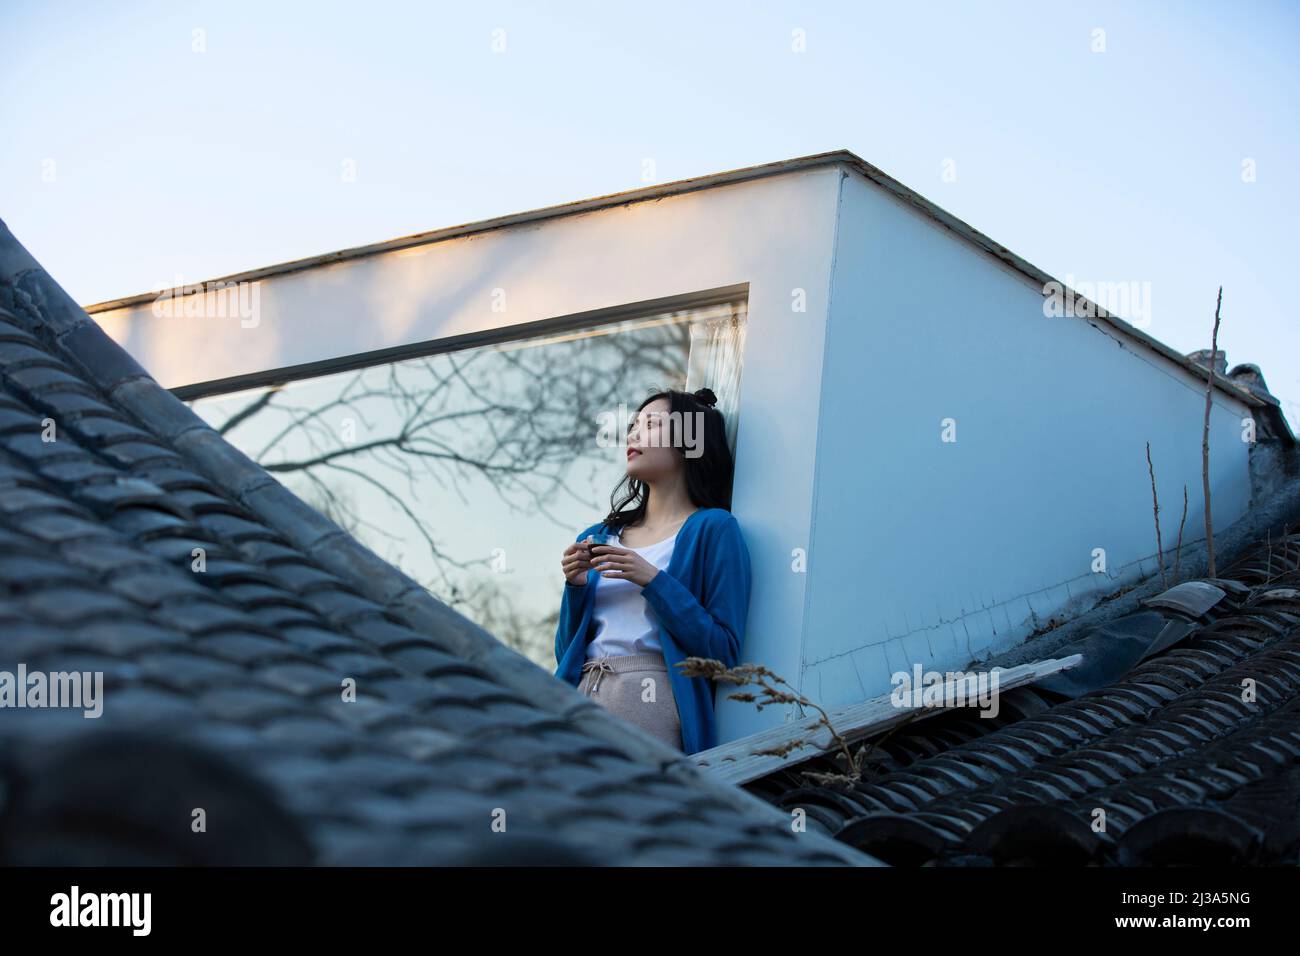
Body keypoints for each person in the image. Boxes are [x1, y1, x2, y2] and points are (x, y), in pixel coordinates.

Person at [553, 386, 752, 755]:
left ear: (690, 441)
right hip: (580, 700)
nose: (633, 435)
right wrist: (575, 587)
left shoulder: (714, 528)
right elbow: (567, 654)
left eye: (652, 424)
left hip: (651, 703)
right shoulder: (598, 536)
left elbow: (723, 652)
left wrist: (653, 580)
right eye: (633, 426)